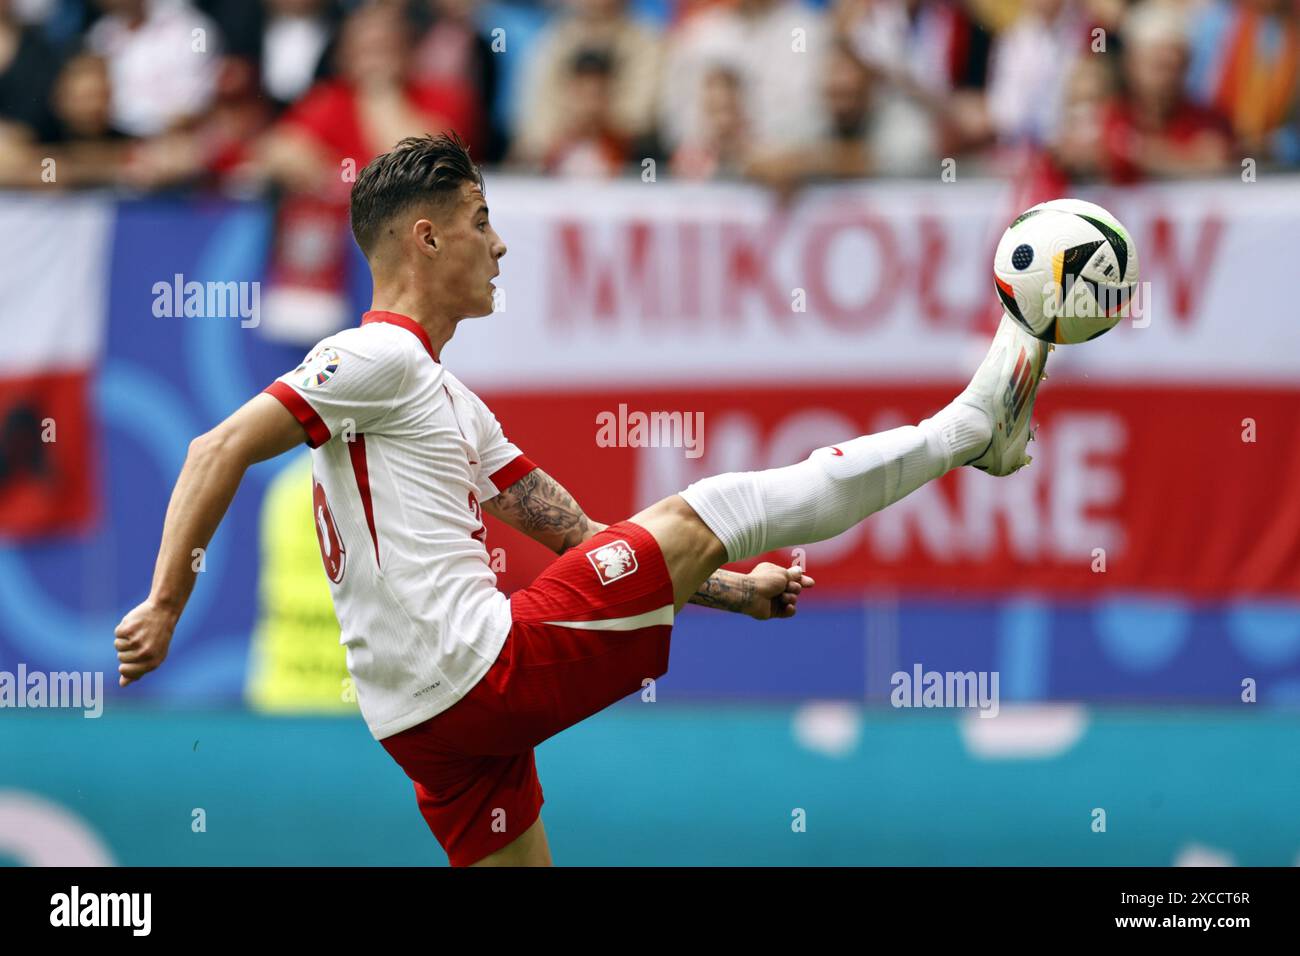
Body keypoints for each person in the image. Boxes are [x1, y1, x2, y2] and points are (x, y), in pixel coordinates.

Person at [113, 132, 1051, 867]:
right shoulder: (378, 357)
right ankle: (971, 429)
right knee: (707, 507)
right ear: (425, 236)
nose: (502, 240)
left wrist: (732, 589)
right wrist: (164, 604)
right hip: (477, 672)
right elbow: (215, 446)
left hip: (420, 724)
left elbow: (582, 540)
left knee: (686, 536)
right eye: (482, 218)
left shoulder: (446, 401)